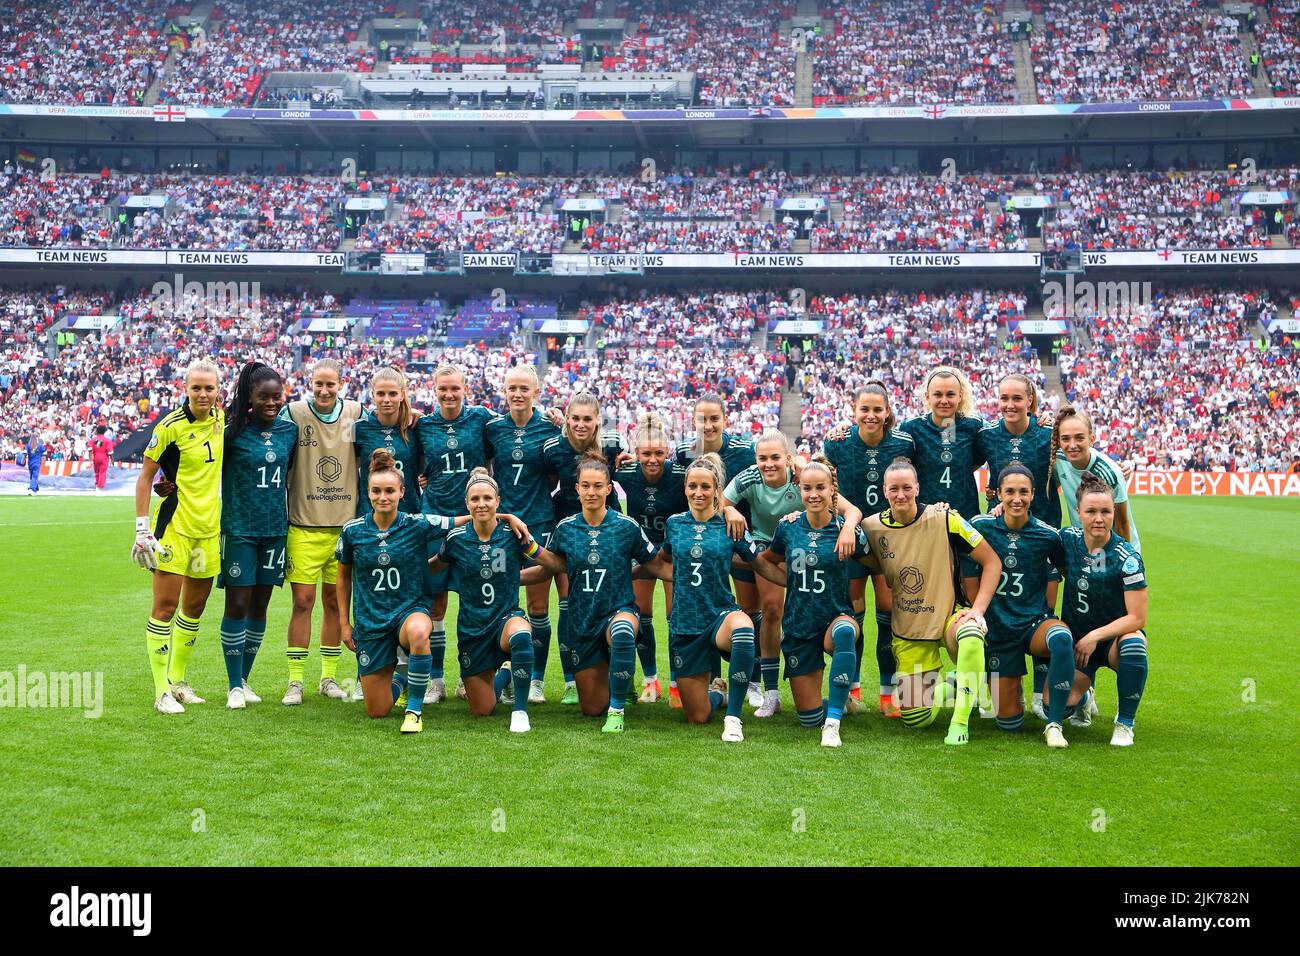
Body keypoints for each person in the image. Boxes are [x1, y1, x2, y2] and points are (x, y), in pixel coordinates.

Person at [860, 458, 1001, 746]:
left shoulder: (944, 518)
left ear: (918, 488)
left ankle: (960, 723)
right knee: (917, 719)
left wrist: (977, 611)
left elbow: (992, 562)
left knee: (972, 633)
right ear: (884, 491)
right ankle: (954, 683)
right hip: (909, 629)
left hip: (950, 617)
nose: (901, 495)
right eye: (894, 489)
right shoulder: (871, 528)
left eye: (907, 488)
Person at [636, 454, 776, 743]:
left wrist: (792, 578)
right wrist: (627, 571)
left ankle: (733, 718)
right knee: (697, 716)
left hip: (720, 616)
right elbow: (661, 562)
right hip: (686, 624)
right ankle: (717, 693)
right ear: (685, 488)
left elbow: (759, 564)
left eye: (705, 487)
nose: (698, 493)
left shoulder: (731, 524)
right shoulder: (675, 524)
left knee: (743, 629)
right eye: (692, 486)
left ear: (716, 490)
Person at [724, 430, 862, 718]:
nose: (769, 463)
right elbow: (721, 504)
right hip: (767, 541)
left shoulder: (805, 478)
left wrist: (847, 528)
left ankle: (844, 691)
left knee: (781, 606)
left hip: (799, 540)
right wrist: (732, 513)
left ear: (789, 459)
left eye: (776, 457)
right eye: (762, 458)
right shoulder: (749, 477)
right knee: (764, 611)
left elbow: (851, 510)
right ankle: (770, 691)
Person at [528, 454, 658, 734]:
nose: (591, 492)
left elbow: (654, 563)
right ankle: (617, 683)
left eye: (598, 486)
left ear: (609, 489)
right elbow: (550, 567)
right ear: (576, 488)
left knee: (623, 632)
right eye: (585, 486)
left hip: (618, 610)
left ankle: (617, 711)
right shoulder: (565, 529)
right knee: (590, 708)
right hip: (583, 621)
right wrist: (513, 572)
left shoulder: (626, 526)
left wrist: (685, 571)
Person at [336, 450, 455, 735]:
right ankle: (401, 679)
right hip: (371, 621)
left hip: (408, 612)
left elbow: (461, 520)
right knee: (377, 711)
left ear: (402, 491)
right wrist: (344, 623)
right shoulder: (352, 531)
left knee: (418, 632)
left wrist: (504, 516)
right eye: (376, 491)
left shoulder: (416, 524)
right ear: (368, 493)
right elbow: (343, 577)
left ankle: (414, 711)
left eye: (390, 490)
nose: (383, 497)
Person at [755, 458, 869, 747]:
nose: (814, 494)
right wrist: (789, 581)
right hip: (799, 623)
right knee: (808, 718)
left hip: (836, 618)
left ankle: (833, 725)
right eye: (807, 488)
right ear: (800, 491)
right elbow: (768, 561)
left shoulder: (847, 529)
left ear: (833, 491)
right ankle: (838, 701)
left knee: (845, 631)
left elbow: (875, 564)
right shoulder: (788, 527)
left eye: (821, 487)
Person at [131, 359, 224, 715]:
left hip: (207, 531)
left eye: (209, 388)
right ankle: (160, 691)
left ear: (218, 390)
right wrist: (142, 529)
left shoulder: (222, 418)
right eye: (196, 387)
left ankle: (178, 681)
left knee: (195, 608)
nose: (203, 394)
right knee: (165, 608)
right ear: (185, 389)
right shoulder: (169, 426)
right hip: (175, 529)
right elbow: (145, 477)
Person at [962, 464, 1076, 747]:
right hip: (999, 629)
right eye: (1009, 492)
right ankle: (1013, 688)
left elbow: (1067, 573)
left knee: (1061, 638)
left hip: (1034, 623)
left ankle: (1057, 720)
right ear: (997, 493)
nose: (1017, 498)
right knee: (1009, 723)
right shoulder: (981, 526)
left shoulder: (1049, 536)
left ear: (1033, 494)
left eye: (1023, 492)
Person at [821, 382, 915, 717]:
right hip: (852, 539)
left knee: (890, 614)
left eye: (878, 409)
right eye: (865, 409)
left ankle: (890, 694)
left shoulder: (904, 443)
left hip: (891, 538)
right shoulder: (837, 442)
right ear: (854, 410)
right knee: (853, 613)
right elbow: (825, 486)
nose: (871, 415)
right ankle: (853, 690)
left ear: (888, 411)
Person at [282, 359, 364, 705]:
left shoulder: (358, 413)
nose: (325, 390)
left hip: (343, 528)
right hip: (304, 525)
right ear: (309, 383)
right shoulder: (294, 413)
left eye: (331, 384)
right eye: (319, 384)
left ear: (341, 384)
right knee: (302, 601)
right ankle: (295, 681)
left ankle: (327, 677)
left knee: (335, 603)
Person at [427, 467, 535, 732]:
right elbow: (433, 567)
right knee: (482, 710)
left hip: (505, 619)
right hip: (472, 629)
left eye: (487, 498)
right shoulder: (455, 539)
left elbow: (547, 564)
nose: (481, 503)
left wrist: (516, 577)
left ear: (498, 501)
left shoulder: (513, 534)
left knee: (521, 635)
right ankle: (507, 673)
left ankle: (520, 711)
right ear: (467, 503)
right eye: (475, 499)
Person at [415, 363, 499, 701]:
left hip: (475, 520)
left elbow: (511, 430)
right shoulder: (422, 425)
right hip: (434, 520)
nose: (449, 395)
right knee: (436, 602)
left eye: (455, 389)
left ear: (466, 389)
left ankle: (471, 672)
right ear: (434, 389)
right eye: (442, 389)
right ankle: (436, 678)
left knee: (477, 599)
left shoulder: (481, 419)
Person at [217, 362, 298, 709]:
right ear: (249, 397)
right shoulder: (231, 432)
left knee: (261, 605)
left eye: (276, 397)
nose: (270, 402)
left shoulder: (288, 432)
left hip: (275, 530)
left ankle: (245, 679)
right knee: (237, 602)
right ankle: (234, 685)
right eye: (263, 396)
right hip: (239, 528)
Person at [542, 392, 627, 705]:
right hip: (568, 530)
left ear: (597, 421)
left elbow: (625, 471)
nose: (580, 424)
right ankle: (570, 680)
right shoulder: (553, 448)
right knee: (568, 603)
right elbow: (546, 481)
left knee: (614, 602)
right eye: (574, 418)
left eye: (586, 419)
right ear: (566, 419)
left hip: (608, 529)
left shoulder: (614, 445)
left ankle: (623, 677)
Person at [483, 365, 560, 704]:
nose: (517, 394)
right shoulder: (493, 428)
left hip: (539, 522)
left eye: (524, 389)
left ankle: (536, 680)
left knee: (538, 605)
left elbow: (557, 476)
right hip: (501, 526)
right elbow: (482, 469)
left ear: (536, 393)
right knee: (499, 602)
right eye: (512, 388)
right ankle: (500, 672)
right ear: (504, 390)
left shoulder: (549, 427)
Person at [673, 394, 757, 707]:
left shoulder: (743, 450)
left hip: (734, 535)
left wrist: (732, 511)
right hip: (698, 535)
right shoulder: (684, 452)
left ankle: (754, 682)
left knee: (748, 612)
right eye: (701, 419)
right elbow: (676, 481)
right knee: (698, 600)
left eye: (713, 419)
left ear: (724, 420)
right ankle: (713, 682)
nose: (707, 426)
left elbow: (762, 477)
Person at [1058, 474, 1149, 747]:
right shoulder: (1066, 540)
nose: (1099, 518)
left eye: (1106, 511)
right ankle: (1084, 699)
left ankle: (1125, 723)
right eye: (1091, 511)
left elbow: (1137, 617)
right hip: (1076, 643)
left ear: (1113, 513)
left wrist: (1095, 636)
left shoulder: (1128, 558)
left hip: (1111, 641)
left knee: (1134, 645)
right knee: (1056, 707)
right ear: (1078, 512)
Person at [352, 367, 425, 702]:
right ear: (372, 394)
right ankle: (364, 672)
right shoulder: (360, 428)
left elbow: (426, 466)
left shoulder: (415, 426)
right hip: (371, 523)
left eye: (392, 393)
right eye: (380, 393)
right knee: (369, 594)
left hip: (409, 527)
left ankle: (419, 673)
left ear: (403, 393)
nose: (386, 399)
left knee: (412, 596)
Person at [614, 412, 688, 704]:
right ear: (636, 453)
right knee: (641, 614)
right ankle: (650, 680)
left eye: (659, 453)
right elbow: (595, 470)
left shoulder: (681, 474)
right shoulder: (626, 473)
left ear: (668, 452)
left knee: (675, 616)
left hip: (671, 553)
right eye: (646, 453)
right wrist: (613, 460)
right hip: (641, 552)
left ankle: (675, 685)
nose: (652, 459)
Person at [898, 366, 987, 522]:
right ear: (927, 397)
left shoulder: (974, 426)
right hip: (924, 517)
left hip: (965, 515)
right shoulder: (911, 428)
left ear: (960, 396)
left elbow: (977, 460)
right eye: (938, 394)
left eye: (950, 394)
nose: (944, 400)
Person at [1051, 406, 1140, 553]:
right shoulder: (1059, 459)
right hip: (1085, 548)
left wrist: (1119, 562)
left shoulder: (1110, 472)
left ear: (1091, 439)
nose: (1072, 445)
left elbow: (1122, 523)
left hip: (1117, 549)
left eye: (1079, 438)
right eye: (1066, 439)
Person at [90, 425, 115, 495]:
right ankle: (100, 487)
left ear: (97, 431)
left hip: (95, 457)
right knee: (102, 473)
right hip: (104, 458)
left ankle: (97, 484)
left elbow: (89, 449)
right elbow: (110, 452)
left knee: (97, 472)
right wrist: (112, 460)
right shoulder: (107, 440)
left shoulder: (93, 440)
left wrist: (90, 459)